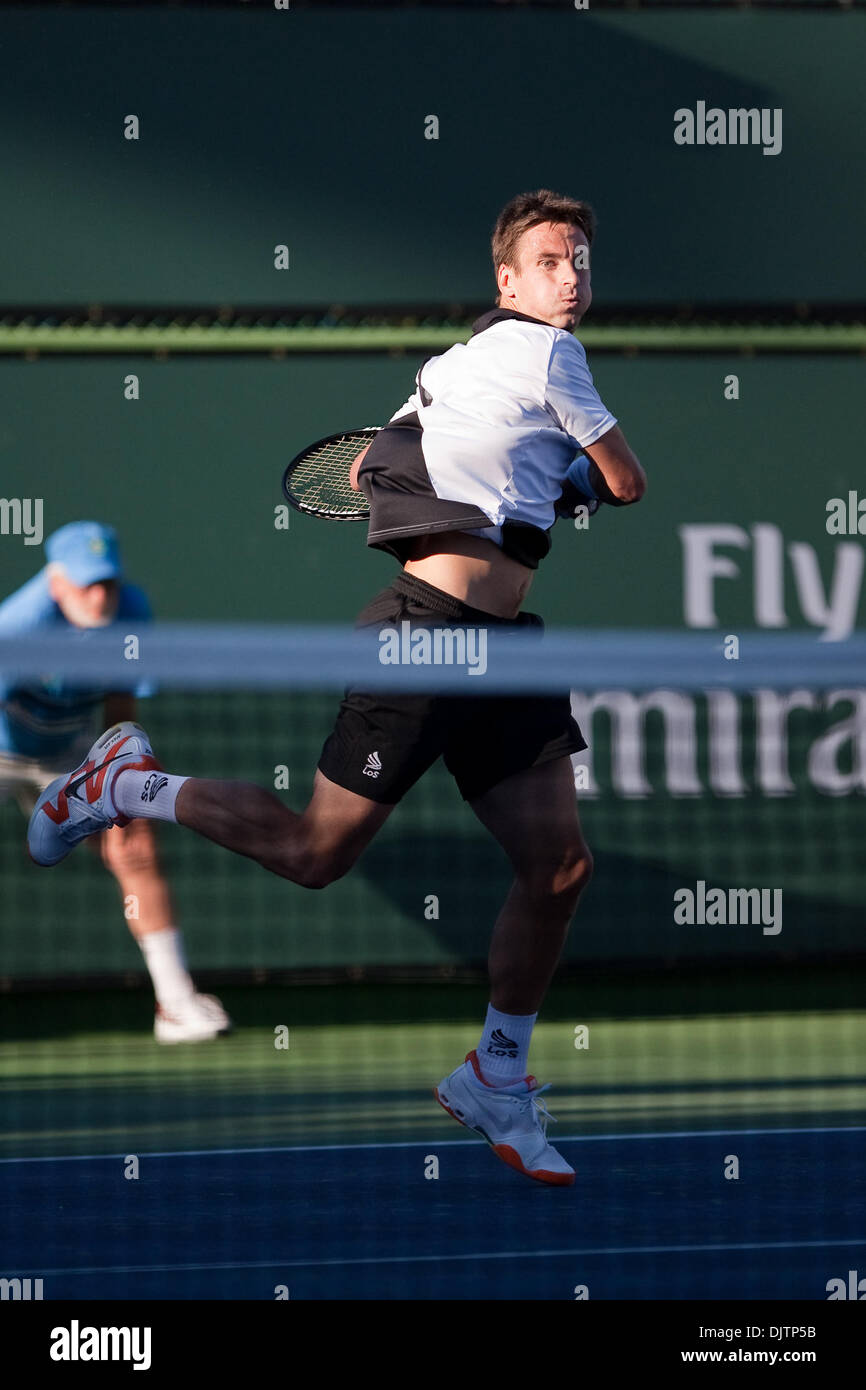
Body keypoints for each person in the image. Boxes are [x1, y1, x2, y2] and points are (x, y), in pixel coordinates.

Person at [27, 191, 644, 1182]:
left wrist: (537, 481)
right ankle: (120, 786)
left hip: (503, 649)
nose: (570, 274)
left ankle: (496, 1073)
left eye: (579, 258)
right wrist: (575, 477)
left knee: (558, 864)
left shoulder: (449, 373)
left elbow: (375, 465)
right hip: (422, 638)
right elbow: (626, 481)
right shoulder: (545, 356)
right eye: (548, 258)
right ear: (507, 281)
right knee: (314, 854)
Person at [1, 520, 230, 1043]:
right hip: (2, 750)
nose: (100, 596)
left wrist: (120, 782)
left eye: (107, 582)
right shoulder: (18, 627)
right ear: (57, 584)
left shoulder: (132, 613)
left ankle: (174, 1006)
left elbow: (121, 710)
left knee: (136, 841)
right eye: (86, 585)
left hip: (69, 755)